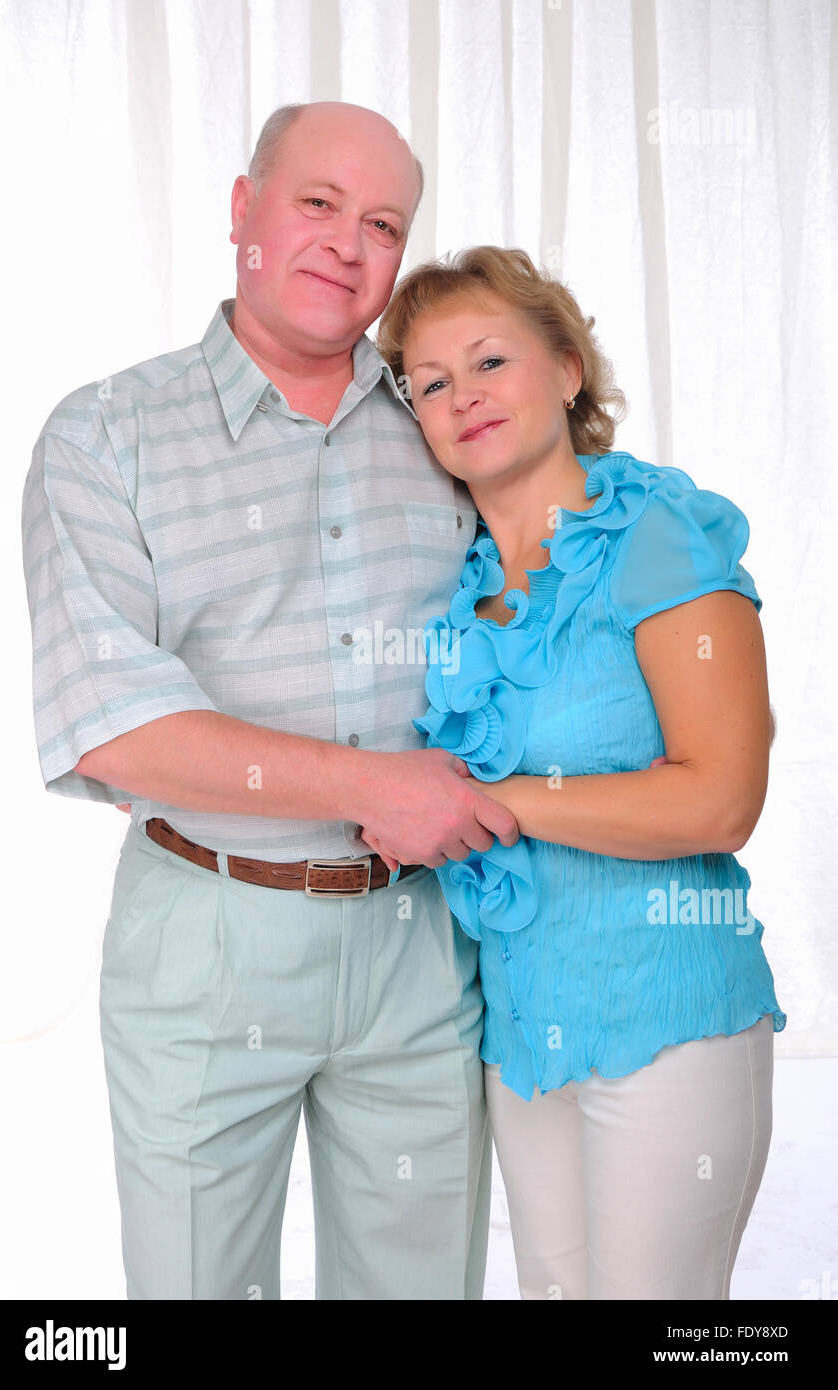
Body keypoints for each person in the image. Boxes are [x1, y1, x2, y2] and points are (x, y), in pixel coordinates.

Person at [20, 103, 521, 1301]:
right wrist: (371, 784)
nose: (347, 245)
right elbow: (116, 726)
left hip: (419, 941)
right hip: (205, 935)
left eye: (382, 223)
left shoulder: (447, 423)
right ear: (242, 210)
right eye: (315, 204)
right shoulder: (103, 436)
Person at [370, 244, 786, 1300]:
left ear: (565, 371)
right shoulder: (451, 587)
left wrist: (485, 801)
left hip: (666, 1019)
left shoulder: (652, 534)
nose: (461, 397)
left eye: (489, 361)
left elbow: (719, 797)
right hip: (520, 1032)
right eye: (429, 383)